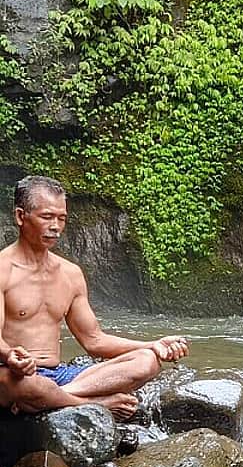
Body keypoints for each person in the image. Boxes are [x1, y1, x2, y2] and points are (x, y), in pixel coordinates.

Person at [0, 175, 189, 418]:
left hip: (58, 376)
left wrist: (152, 344)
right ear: (20, 216)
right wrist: (10, 355)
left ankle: (57, 398)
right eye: (47, 217)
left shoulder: (70, 274)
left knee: (147, 361)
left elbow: (94, 341)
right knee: (25, 384)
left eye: (62, 218)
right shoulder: (3, 270)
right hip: (13, 374)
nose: (56, 226)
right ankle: (98, 404)